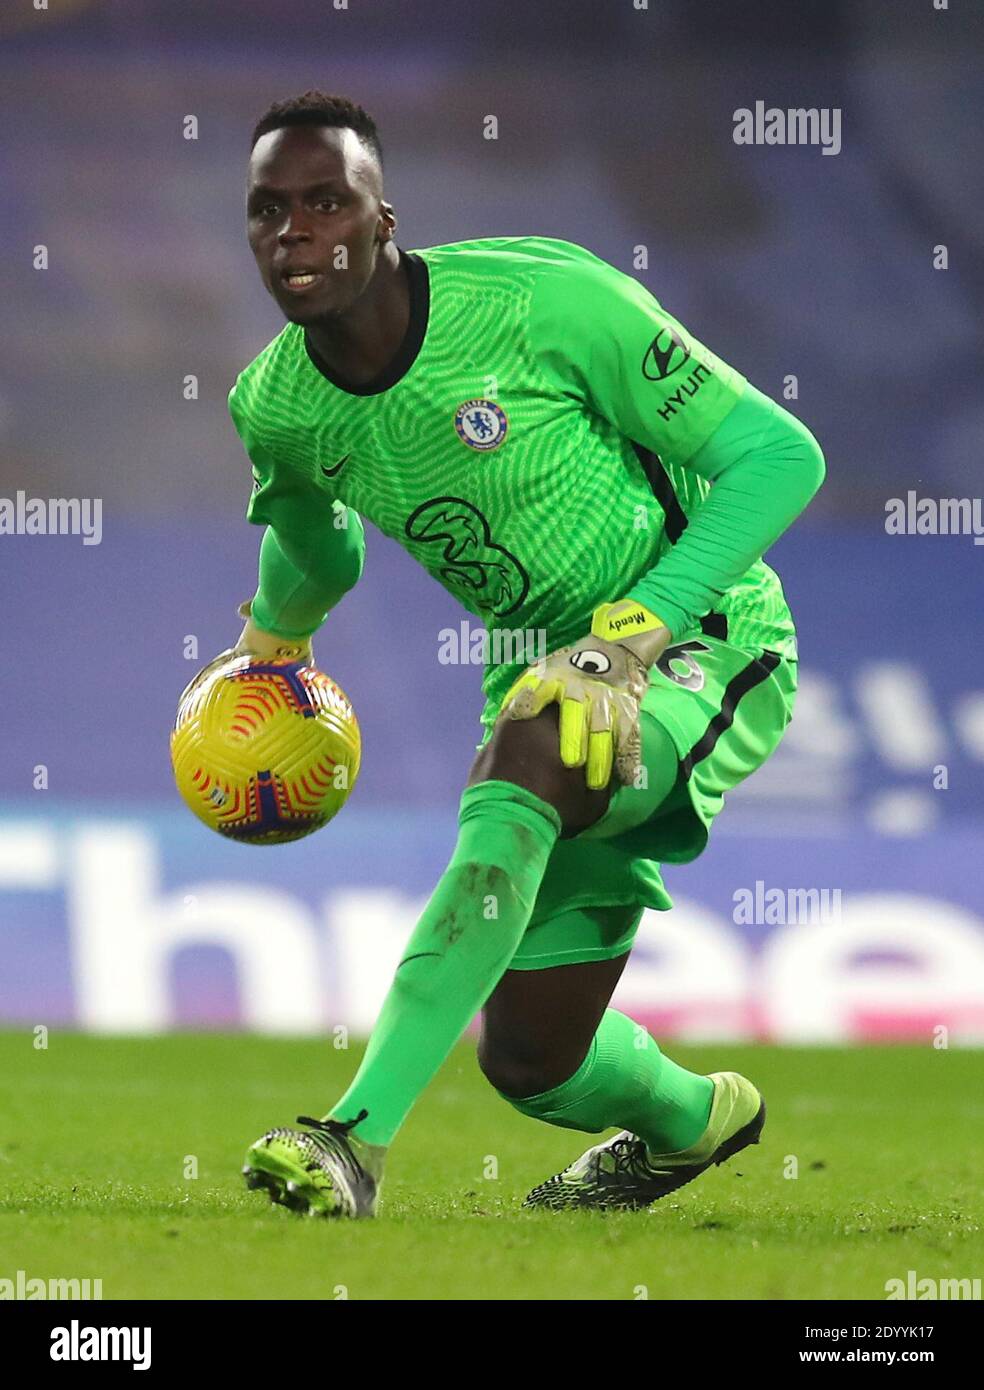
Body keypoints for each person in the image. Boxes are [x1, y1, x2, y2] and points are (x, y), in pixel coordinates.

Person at [226, 91, 824, 1217]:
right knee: (535, 1062)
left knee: (532, 746)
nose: (296, 232)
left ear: (382, 216)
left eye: (325, 202)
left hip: (704, 634)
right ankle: (700, 1120)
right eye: (268, 210)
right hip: (547, 682)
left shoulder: (544, 297)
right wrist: (270, 644)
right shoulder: (279, 406)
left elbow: (777, 455)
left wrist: (629, 634)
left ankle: (352, 1140)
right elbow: (314, 549)